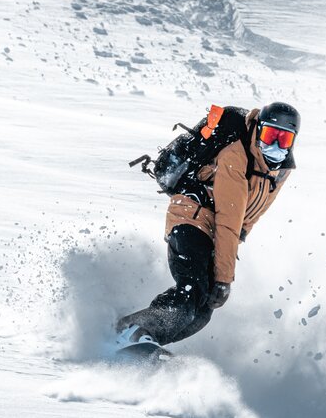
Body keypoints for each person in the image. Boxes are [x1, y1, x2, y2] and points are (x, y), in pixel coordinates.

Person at [115, 101, 300, 350]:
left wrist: (225, 262)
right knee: (191, 292)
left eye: (283, 139)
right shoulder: (236, 156)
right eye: (269, 135)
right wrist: (224, 278)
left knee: (202, 312)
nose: (275, 145)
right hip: (192, 218)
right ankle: (137, 332)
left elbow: (249, 218)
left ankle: (140, 338)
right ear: (258, 129)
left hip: (215, 233)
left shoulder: (278, 172)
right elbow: (229, 220)